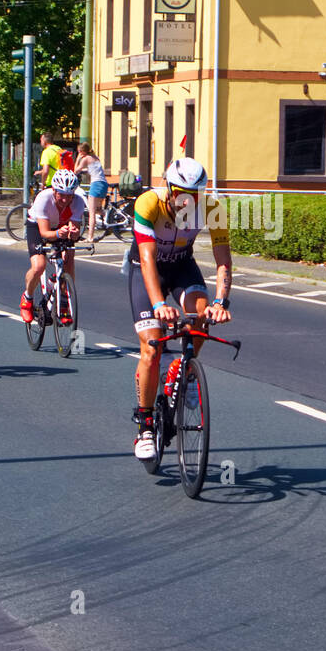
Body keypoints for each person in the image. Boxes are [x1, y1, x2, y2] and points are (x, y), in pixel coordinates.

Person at [127, 158, 232, 461]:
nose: (189, 200)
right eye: (182, 193)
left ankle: (183, 373)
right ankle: (145, 426)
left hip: (183, 267)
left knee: (201, 318)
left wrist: (221, 302)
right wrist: (159, 303)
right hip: (146, 270)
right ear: (169, 187)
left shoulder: (213, 209)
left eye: (196, 194)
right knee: (151, 345)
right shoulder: (149, 203)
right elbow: (147, 260)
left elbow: (223, 261)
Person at [19, 169, 85, 324]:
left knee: (68, 259)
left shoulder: (78, 201)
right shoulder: (43, 198)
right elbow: (44, 232)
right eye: (61, 194)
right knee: (39, 265)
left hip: (60, 226)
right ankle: (27, 297)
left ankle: (63, 303)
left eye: (69, 195)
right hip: (38, 227)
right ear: (54, 190)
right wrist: (58, 234)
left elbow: (74, 234)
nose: (65, 199)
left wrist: (74, 233)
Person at [74, 143, 109, 242]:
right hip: (103, 184)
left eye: (79, 152)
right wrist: (86, 170)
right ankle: (109, 219)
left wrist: (77, 159)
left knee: (92, 212)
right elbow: (94, 169)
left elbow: (75, 170)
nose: (79, 153)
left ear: (82, 152)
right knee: (98, 210)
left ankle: (90, 237)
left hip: (96, 184)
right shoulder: (95, 157)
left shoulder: (86, 159)